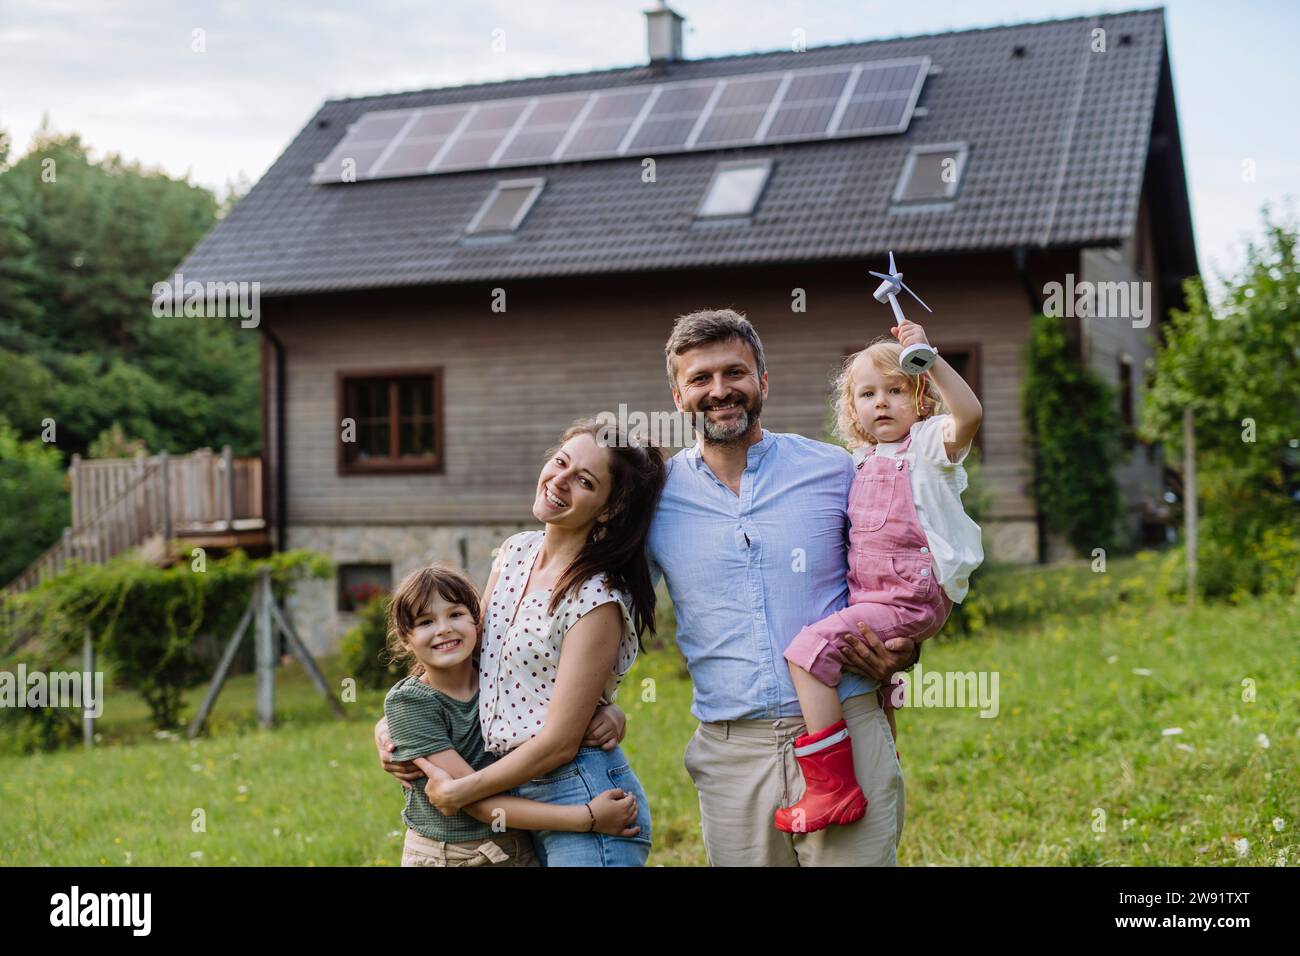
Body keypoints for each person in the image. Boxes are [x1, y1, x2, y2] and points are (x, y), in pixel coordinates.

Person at [649, 308, 921, 866]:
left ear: (763, 382)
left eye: (735, 373)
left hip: (847, 726)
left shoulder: (837, 470)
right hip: (732, 754)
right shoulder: (653, 497)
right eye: (700, 378)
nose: (720, 390)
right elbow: (610, 609)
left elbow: (897, 561)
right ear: (678, 394)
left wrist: (909, 644)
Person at [377, 418, 665, 866]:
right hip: (518, 800)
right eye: (561, 462)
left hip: (582, 793)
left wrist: (460, 791)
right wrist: (398, 726)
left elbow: (559, 744)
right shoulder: (515, 553)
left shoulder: (595, 599)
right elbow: (470, 658)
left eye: (585, 481)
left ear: (607, 509)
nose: (560, 481)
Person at [774, 320, 984, 834]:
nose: (882, 403)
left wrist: (928, 358)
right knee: (877, 687)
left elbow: (971, 413)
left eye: (896, 390)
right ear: (853, 409)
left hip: (910, 595)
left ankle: (832, 787)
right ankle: (884, 760)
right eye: (867, 394)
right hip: (874, 596)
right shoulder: (861, 459)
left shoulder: (930, 447)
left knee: (808, 651)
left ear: (921, 399)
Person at [382, 563, 641, 867]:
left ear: (477, 621)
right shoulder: (411, 703)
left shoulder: (500, 674)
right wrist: (588, 817)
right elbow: (473, 800)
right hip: (451, 853)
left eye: (455, 614)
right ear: (405, 637)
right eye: (425, 622)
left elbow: (559, 711)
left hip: (517, 843)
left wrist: (611, 715)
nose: (444, 629)